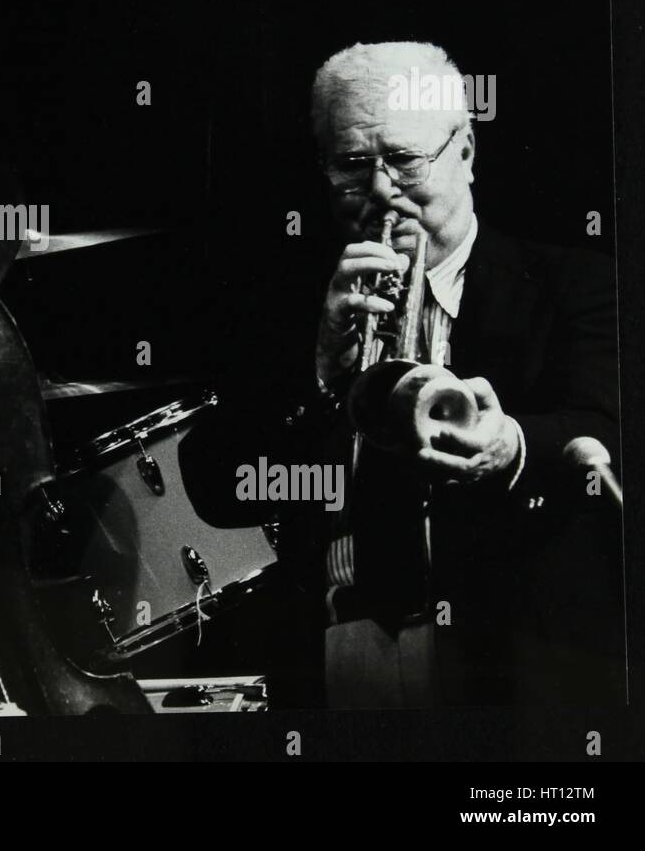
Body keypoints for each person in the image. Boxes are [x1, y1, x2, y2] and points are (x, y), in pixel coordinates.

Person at [181, 41, 623, 708]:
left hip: (510, 671)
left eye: (405, 160)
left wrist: (509, 447)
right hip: (330, 665)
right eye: (354, 165)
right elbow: (217, 486)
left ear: (466, 154)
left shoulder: (576, 285)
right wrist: (318, 373)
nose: (382, 190)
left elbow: (601, 430)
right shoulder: (288, 306)